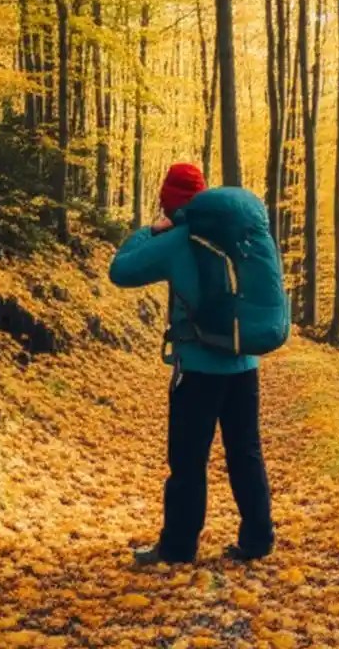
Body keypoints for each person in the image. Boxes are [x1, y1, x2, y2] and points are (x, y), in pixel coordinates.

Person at [108, 162, 275, 564]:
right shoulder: (241, 236)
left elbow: (121, 270)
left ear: (169, 200)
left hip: (198, 368)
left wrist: (151, 230)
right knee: (246, 453)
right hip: (244, 361)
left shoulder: (177, 240)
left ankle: (178, 548)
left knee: (187, 461)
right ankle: (258, 540)